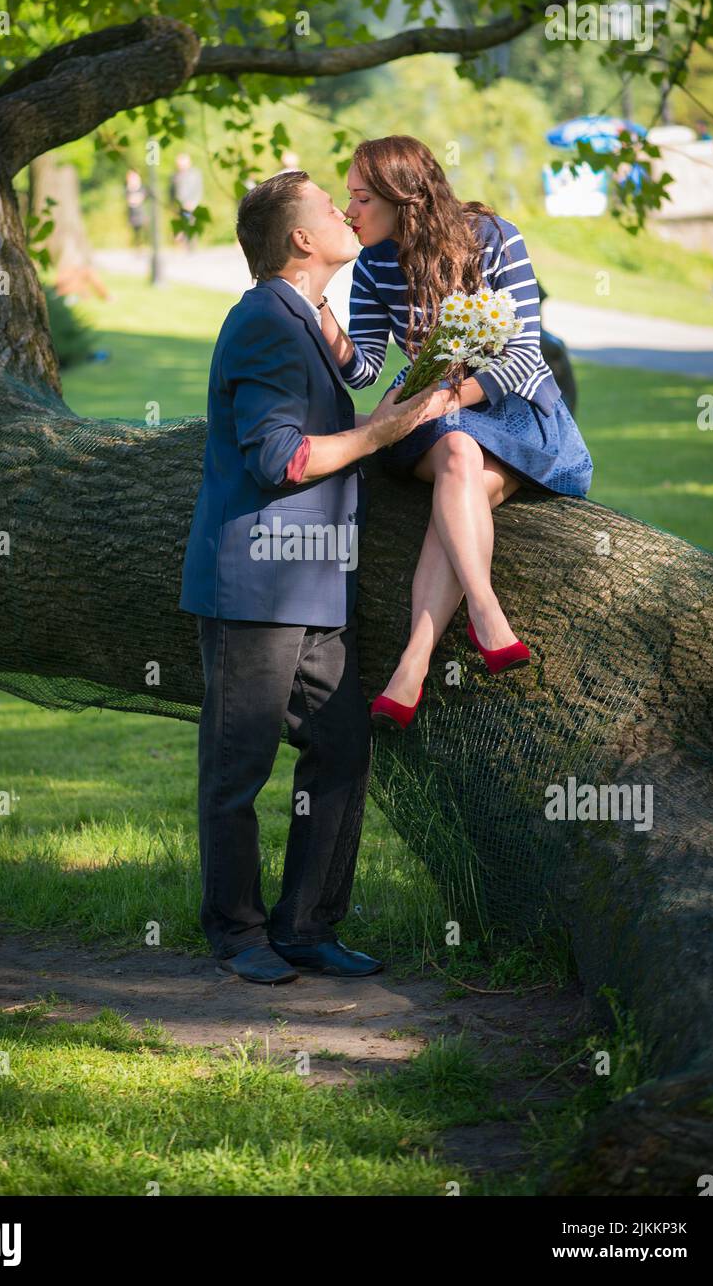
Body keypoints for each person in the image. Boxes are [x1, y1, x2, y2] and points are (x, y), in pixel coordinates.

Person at [179, 169, 453, 985]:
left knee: (338, 751)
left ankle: (305, 927)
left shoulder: (298, 319)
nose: (345, 211)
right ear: (300, 239)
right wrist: (387, 431)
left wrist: (396, 412)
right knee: (237, 770)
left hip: (314, 586)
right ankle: (236, 934)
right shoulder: (264, 319)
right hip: (255, 588)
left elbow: (319, 437)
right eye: (329, 209)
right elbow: (283, 458)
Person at [320, 135, 593, 728]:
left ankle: (412, 665)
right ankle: (486, 611)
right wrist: (316, 302)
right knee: (457, 451)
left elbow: (522, 356)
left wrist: (443, 400)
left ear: (403, 199)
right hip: (437, 426)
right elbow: (365, 368)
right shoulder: (371, 264)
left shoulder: (492, 239)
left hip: (514, 413)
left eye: (362, 198)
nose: (350, 211)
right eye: (348, 199)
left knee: (458, 472)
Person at [169, 152, 203, 248]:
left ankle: (192, 244)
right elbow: (171, 191)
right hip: (179, 205)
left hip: (192, 204)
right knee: (181, 226)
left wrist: (193, 202)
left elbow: (198, 189)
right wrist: (172, 204)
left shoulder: (195, 174)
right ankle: (183, 245)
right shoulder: (174, 176)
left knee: (191, 223)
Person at [124, 169, 147, 247]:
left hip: (141, 213)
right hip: (132, 213)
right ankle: (137, 246)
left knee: (143, 231)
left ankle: (143, 245)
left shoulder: (142, 187)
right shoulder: (128, 189)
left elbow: (140, 198)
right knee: (135, 232)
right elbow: (129, 200)